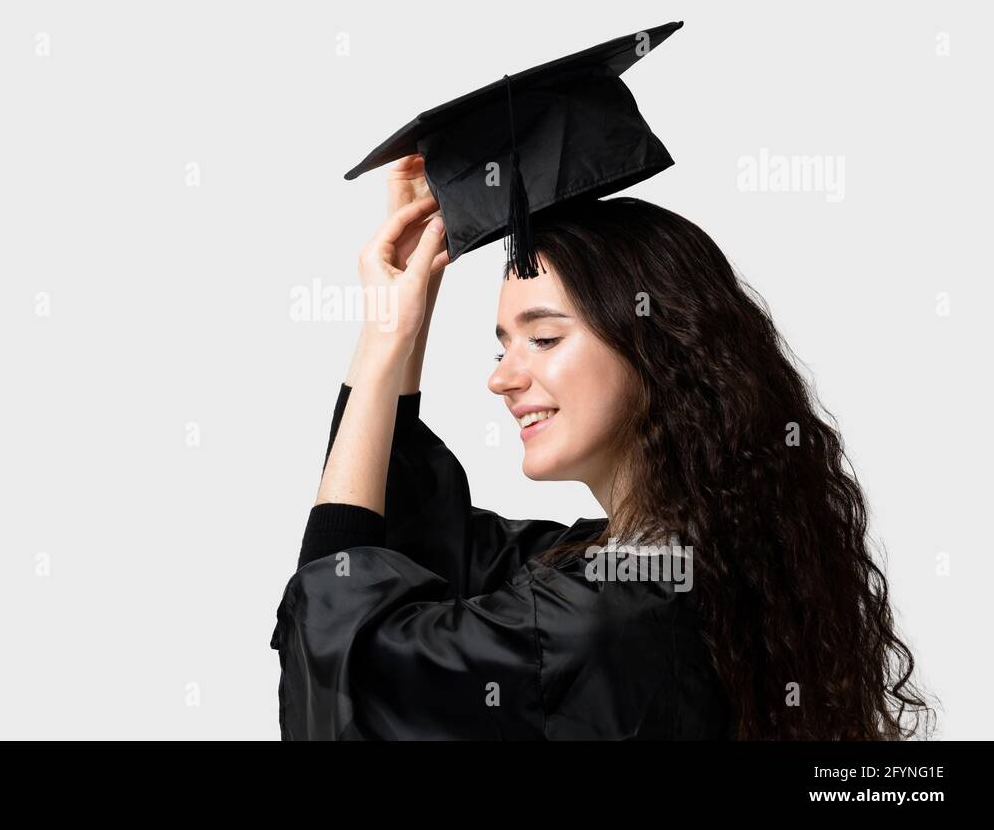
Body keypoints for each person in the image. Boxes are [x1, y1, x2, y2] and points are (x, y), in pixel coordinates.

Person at [270, 155, 936, 740]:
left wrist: (383, 346)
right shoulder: (675, 568)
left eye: (545, 338)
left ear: (656, 352)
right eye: (502, 343)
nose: (501, 377)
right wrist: (401, 325)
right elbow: (410, 542)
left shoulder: (604, 615)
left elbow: (338, 659)